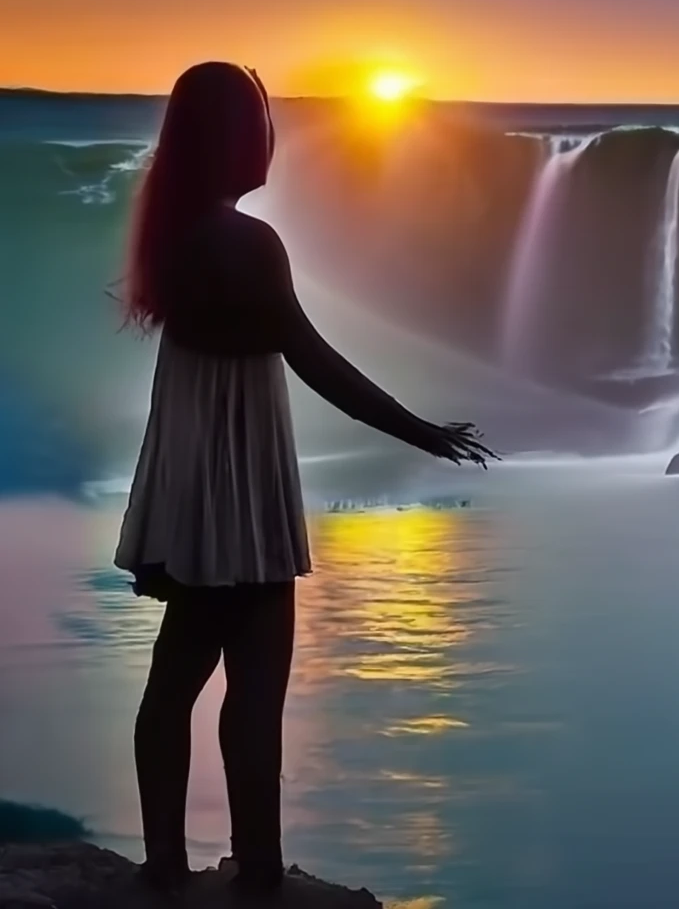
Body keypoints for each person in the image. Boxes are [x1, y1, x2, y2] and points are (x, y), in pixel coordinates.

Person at [113, 61, 495, 894]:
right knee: (251, 693)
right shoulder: (244, 242)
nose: (272, 135)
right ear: (232, 138)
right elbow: (315, 360)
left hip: (194, 481)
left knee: (174, 684)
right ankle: (256, 872)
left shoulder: (176, 235)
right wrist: (421, 432)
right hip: (241, 485)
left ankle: (166, 863)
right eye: (260, 118)